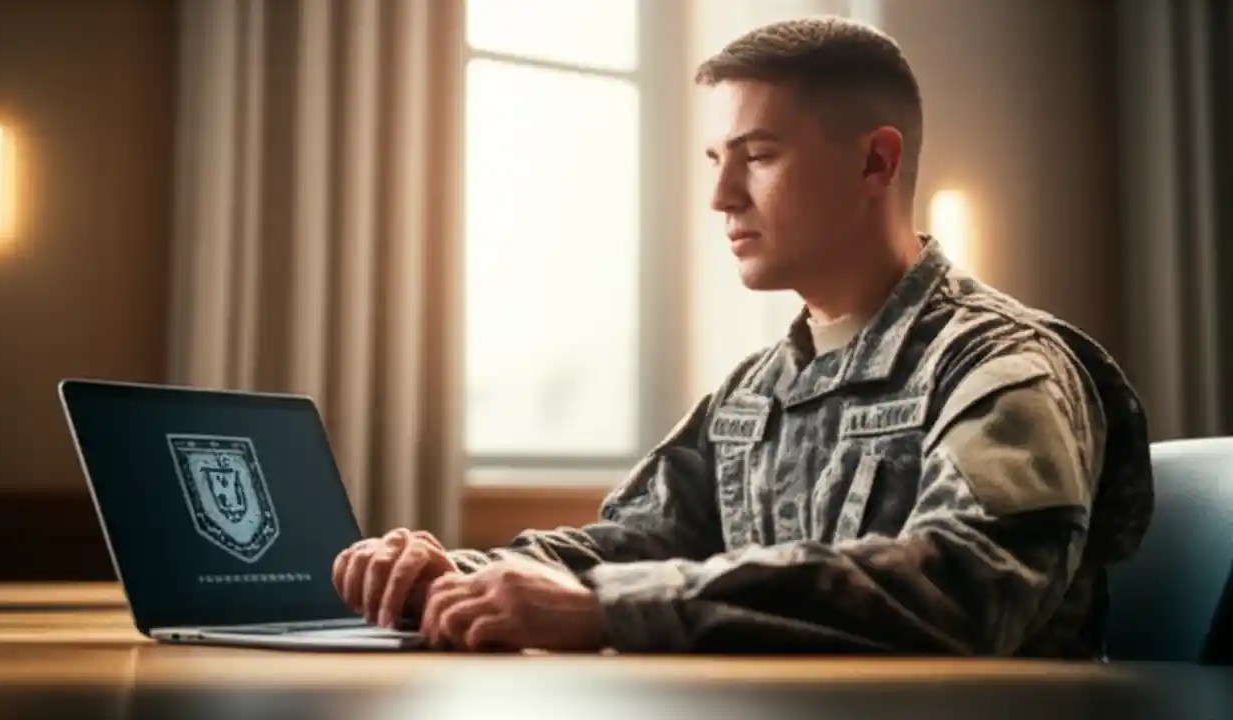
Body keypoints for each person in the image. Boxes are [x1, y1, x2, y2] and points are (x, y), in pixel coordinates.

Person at [331, 16, 1152, 655]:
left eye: (757, 156)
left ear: (876, 164)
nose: (721, 196)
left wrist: (615, 611)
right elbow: (630, 542)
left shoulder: (1003, 367)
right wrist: (458, 575)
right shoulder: (755, 390)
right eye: (715, 157)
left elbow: (969, 586)